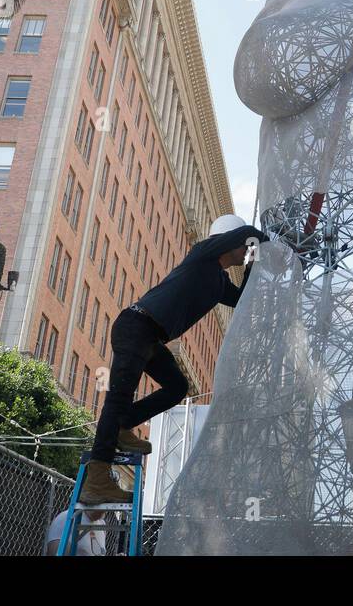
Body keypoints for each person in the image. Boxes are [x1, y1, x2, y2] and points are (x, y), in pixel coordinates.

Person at [80, 214, 267, 504]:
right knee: (117, 398)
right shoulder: (202, 255)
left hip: (151, 336)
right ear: (229, 241)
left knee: (177, 387)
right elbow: (248, 233)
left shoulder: (218, 281)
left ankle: (123, 424)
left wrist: (256, 262)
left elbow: (243, 298)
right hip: (136, 325)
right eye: (243, 247)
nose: (244, 252)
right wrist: (266, 241)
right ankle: (98, 478)